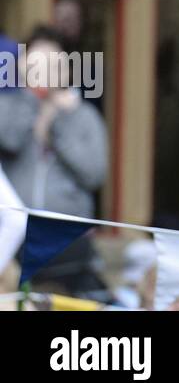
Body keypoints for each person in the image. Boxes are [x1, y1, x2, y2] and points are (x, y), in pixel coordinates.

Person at [0, 27, 108, 294]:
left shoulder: (83, 116)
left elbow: (94, 174)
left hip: (68, 239)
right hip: (15, 239)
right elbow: (9, 139)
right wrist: (32, 95)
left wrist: (58, 127)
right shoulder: (9, 105)